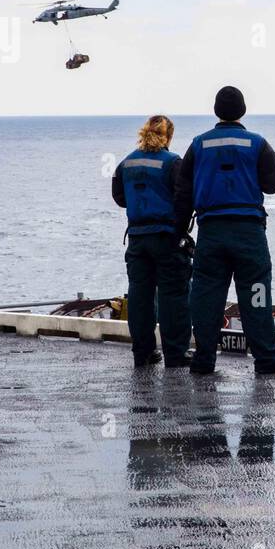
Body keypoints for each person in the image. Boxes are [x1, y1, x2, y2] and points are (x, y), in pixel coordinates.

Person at [176, 86, 275, 375]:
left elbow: (183, 192)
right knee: (256, 294)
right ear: (242, 111)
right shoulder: (256, 143)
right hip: (248, 234)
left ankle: (203, 360)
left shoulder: (198, 145)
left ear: (216, 111)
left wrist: (180, 230)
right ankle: (266, 359)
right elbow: (274, 184)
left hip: (211, 233)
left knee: (206, 297)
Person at [111, 115, 192, 368]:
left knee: (139, 297)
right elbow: (184, 199)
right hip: (166, 238)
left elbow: (119, 197)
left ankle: (142, 353)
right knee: (173, 296)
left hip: (137, 238)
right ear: (168, 137)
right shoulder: (172, 162)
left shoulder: (127, 162)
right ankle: (176, 354)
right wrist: (180, 231)